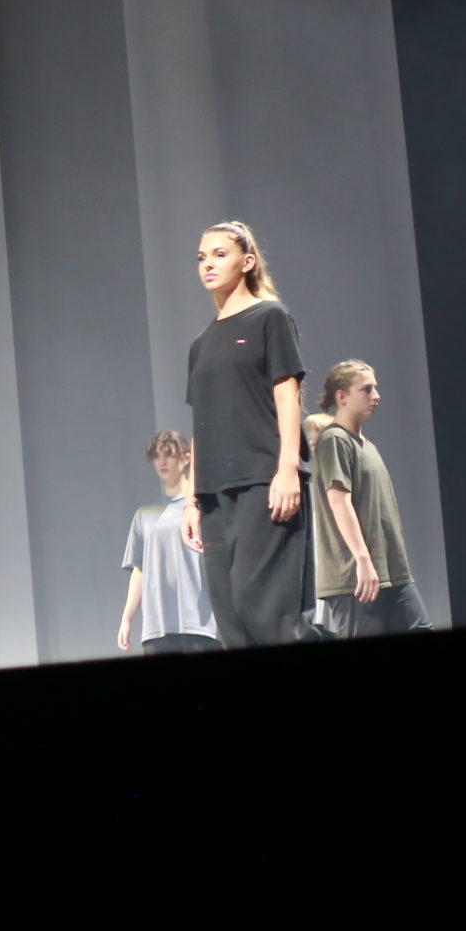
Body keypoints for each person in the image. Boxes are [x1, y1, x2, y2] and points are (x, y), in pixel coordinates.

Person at [180, 219, 317, 646]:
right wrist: (191, 499)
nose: (208, 264)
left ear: (247, 261)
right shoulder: (201, 343)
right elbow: (202, 421)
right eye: (202, 257)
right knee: (231, 617)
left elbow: (287, 396)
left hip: (264, 480)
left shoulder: (268, 317)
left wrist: (287, 469)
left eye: (220, 254)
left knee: (267, 612)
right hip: (215, 492)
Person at [310, 361, 433, 637]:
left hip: (391, 572)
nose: (376, 395)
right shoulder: (334, 440)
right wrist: (363, 561)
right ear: (341, 396)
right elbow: (339, 502)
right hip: (356, 578)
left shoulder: (366, 445)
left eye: (375, 388)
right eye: (366, 389)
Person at [117, 431, 219, 654]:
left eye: (169, 455)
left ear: (186, 459)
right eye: (157, 456)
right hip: (158, 627)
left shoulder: (203, 508)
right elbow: (139, 569)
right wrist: (127, 619)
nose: (162, 462)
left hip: (201, 622)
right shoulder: (145, 515)